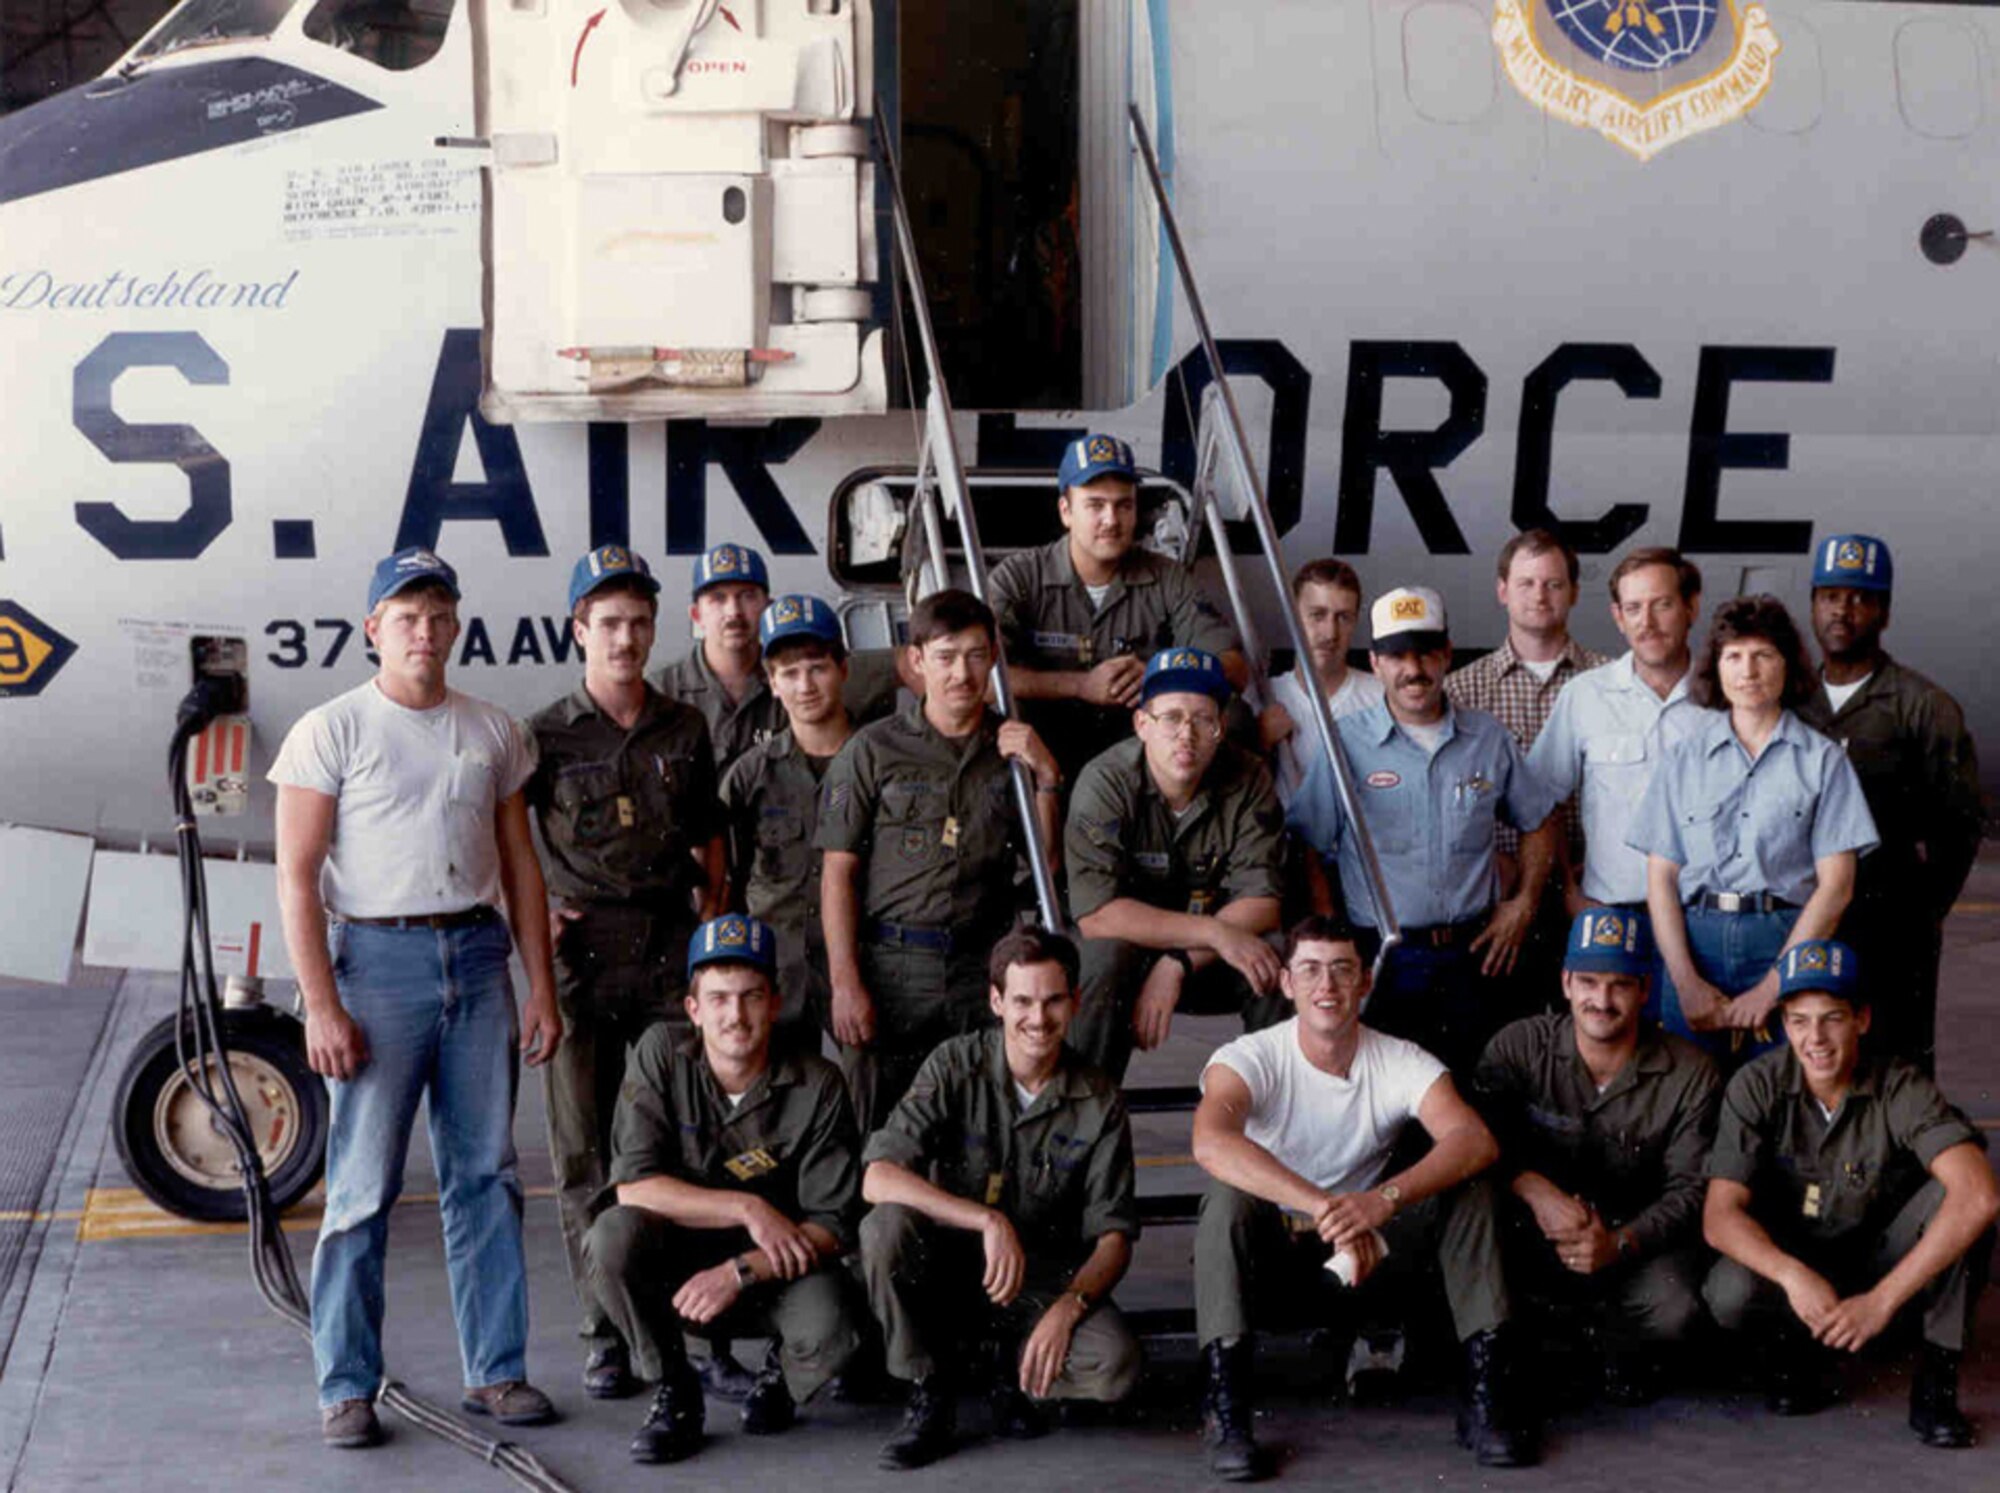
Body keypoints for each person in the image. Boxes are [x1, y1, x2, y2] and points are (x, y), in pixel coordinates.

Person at [270, 547, 564, 1449]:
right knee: (360, 1189)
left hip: (475, 961)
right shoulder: (332, 731)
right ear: (373, 630)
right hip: (378, 963)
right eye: (407, 616)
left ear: (456, 625)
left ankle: (497, 1371)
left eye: (439, 614)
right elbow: (296, 875)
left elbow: (520, 867)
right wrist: (322, 1005)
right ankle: (347, 1385)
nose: (425, 630)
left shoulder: (493, 733)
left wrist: (538, 986)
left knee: (487, 1177)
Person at [1190, 916, 1534, 1478]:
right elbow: (1210, 1141)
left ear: (1364, 983)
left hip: (1370, 1252)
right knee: (1225, 1199)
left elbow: (1474, 1139)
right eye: (1310, 971)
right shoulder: (1249, 1056)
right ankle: (1226, 1409)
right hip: (1279, 1253)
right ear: (1286, 984)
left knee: (1470, 1188)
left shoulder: (1397, 1058)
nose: (1326, 986)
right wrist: (1320, 1204)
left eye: (1342, 970)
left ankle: (1487, 1394)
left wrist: (1385, 1199)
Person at [522, 545, 725, 1402]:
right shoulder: (544, 733)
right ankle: (604, 1331)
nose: (626, 636)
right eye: (609, 621)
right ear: (579, 630)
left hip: (667, 949)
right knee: (583, 1153)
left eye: (639, 621)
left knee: (685, 1143)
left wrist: (715, 922)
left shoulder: (685, 725)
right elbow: (505, 843)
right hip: (583, 960)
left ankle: (698, 1323)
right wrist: (533, 918)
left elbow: (713, 834)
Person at [858, 927, 1142, 1470]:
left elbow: (1113, 1238)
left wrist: (1069, 1307)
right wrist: (986, 1220)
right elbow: (878, 1177)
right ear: (996, 1002)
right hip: (949, 1264)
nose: (1038, 1018)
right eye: (1022, 1001)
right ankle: (928, 1388)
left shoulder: (1098, 1097)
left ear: (1076, 1001)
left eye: (1054, 1000)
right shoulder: (953, 1065)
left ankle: (1008, 1369)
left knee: (1115, 1364)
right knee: (883, 1230)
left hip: (1035, 1280)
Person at [583, 915, 864, 1463]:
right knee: (611, 1237)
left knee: (834, 1325)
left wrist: (739, 1271)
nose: (735, 1016)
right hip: (679, 1268)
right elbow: (633, 1188)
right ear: (694, 1009)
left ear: (774, 1003)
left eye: (750, 997)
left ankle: (781, 1375)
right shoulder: (661, 1054)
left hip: (772, 1271)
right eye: (718, 999)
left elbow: (832, 1225)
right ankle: (675, 1386)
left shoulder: (817, 1083)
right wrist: (746, 1206)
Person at [1702, 939, 1999, 1447]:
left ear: (1861, 1019)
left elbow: (1979, 1195)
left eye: (1831, 1018)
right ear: (1782, 1025)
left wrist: (1881, 1302)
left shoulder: (1899, 1084)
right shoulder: (1757, 1085)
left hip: (1879, 1259)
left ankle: (1936, 1376)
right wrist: (1792, 1277)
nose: (1815, 1038)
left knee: (1961, 1212)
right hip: (1801, 1265)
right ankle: (1796, 1354)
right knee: (1729, 1288)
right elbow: (1719, 1217)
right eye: (1799, 1020)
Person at [1288, 585, 1562, 1076]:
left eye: (1426, 653)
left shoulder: (1488, 739)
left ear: (1447, 655)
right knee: (1383, 1096)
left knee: (1478, 1089)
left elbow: (1539, 820)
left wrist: (1523, 905)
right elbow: (1309, 841)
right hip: (1384, 956)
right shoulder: (1345, 743)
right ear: (1375, 663)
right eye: (1396, 656)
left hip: (1474, 953)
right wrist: (1332, 930)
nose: (1413, 669)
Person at [818, 588, 1064, 1130]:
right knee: (879, 1131)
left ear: (993, 659)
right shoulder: (873, 749)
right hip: (891, 966)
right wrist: (845, 983)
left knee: (974, 1127)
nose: (962, 674)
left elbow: (1045, 863)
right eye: (946, 657)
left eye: (976, 656)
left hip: (979, 967)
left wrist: (1046, 778)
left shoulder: (1012, 749)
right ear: (916, 661)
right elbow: (838, 872)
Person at [1473, 909, 1721, 1404]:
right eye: (1588, 982)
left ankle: (1605, 1341)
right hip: (1535, 1234)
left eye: (1620, 986)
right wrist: (1536, 1191)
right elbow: (1473, 1141)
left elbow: (1691, 1190)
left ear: (1645, 991)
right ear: (1566, 983)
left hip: (1634, 1242)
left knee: (1675, 1308)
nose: (1601, 1001)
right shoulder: (1520, 1047)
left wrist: (1620, 1244)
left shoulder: (1691, 1073)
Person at [1628, 596, 1878, 1065]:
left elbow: (1837, 887)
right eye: (1734, 656)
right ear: (1716, 668)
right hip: (1694, 943)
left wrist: (1772, 988)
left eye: (1764, 655)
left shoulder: (1823, 762)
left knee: (1779, 1099)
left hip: (1785, 940)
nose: (1748, 671)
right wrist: (1685, 983)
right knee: (1688, 1098)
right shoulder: (1683, 761)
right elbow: (1660, 879)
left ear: (1788, 665)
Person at [1795, 534, 1983, 1073]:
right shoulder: (1792, 700)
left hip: (1889, 924)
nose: (1843, 610)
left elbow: (1960, 826)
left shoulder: (1921, 706)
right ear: (1813, 605)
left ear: (1884, 611)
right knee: (1809, 1061)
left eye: (1860, 598)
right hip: (1802, 915)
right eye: (1830, 596)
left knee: (1894, 1063)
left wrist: (1917, 913)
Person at [1067, 647, 1286, 1081]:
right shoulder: (1106, 781)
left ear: (1220, 728)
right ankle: (1085, 1116)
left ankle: (1272, 1120)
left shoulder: (1249, 777)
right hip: (1134, 948)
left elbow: (1262, 903)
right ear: (1142, 724)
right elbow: (1098, 916)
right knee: (1102, 958)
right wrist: (1213, 932)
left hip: (1206, 959)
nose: (1186, 735)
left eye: (1202, 719)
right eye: (1170, 718)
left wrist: (1178, 963)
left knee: (1274, 957)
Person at [989, 432, 1246, 785]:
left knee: (1235, 716)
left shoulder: (1167, 578)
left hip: (1137, 752)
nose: (1111, 519)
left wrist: (1160, 675)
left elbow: (1234, 667)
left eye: (1123, 505)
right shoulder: (1020, 578)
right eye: (1095, 505)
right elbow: (981, 679)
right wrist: (1080, 686)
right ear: (1066, 511)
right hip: (1044, 745)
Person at [1529, 548, 1706, 921]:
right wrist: (1569, 890)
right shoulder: (1586, 695)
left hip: (1706, 917)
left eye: (1662, 605)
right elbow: (1541, 802)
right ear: (1618, 617)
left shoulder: (1727, 697)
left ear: (1692, 607)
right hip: (1613, 914)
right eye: (1633, 608)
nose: (1648, 622)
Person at [719, 594, 858, 1061]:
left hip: (862, 967)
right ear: (771, 683)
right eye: (789, 673)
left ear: (843, 668)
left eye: (817, 667)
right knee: (780, 1109)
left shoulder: (880, 762)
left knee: (872, 1102)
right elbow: (728, 881)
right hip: (778, 969)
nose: (806, 685)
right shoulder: (749, 776)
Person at [651, 542, 902, 774]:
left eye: (747, 596)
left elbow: (905, 664)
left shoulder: (808, 674)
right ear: (696, 614)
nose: (733, 612)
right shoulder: (661, 693)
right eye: (718, 599)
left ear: (768, 607)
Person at [1257, 557, 1384, 807]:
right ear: (1292, 615)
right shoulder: (1263, 697)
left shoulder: (1382, 698)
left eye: (1343, 618)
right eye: (1317, 615)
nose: (1330, 633)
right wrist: (1257, 741)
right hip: (1278, 842)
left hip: (1359, 843)